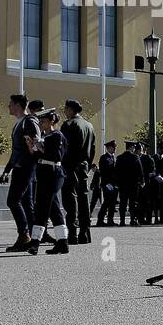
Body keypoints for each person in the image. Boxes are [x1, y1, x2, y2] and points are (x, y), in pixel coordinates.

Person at [26, 109, 70, 255]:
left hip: (54, 173)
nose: (41, 124)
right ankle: (63, 242)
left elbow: (56, 156)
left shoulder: (57, 136)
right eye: (40, 121)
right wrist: (31, 146)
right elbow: (37, 155)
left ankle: (35, 242)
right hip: (44, 173)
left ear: (52, 121)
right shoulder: (45, 136)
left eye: (44, 121)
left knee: (42, 206)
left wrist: (40, 145)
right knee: (54, 209)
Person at [0, 93, 39, 252]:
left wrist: (30, 165)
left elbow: (36, 145)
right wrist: (7, 170)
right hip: (19, 167)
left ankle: (24, 235)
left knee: (13, 201)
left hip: (26, 168)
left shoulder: (29, 122)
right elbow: (16, 151)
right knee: (26, 204)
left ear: (17, 105)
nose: (8, 106)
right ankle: (33, 237)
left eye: (10, 104)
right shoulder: (19, 123)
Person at [58, 99, 95, 244]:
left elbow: (63, 148)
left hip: (70, 165)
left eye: (66, 109)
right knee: (83, 198)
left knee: (70, 198)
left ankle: (72, 233)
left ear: (70, 110)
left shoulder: (68, 125)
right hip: (84, 165)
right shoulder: (89, 125)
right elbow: (92, 149)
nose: (65, 112)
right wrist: (88, 163)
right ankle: (85, 233)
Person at [95, 140, 119, 225]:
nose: (115, 149)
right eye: (113, 147)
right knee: (106, 203)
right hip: (107, 184)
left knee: (112, 203)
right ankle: (100, 220)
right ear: (108, 148)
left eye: (115, 147)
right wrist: (106, 183)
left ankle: (110, 220)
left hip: (114, 184)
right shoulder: (104, 158)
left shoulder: (115, 158)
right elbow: (103, 172)